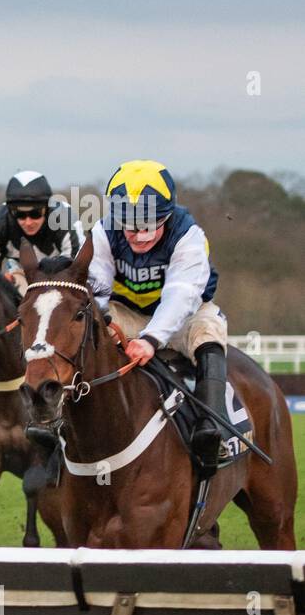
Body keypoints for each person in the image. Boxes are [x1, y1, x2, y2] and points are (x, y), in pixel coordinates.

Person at [86, 159, 228, 469]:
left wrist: (151, 339)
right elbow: (97, 290)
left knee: (210, 332)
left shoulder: (189, 235)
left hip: (186, 314)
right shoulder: (103, 232)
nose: (137, 235)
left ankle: (212, 427)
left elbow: (181, 295)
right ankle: (68, 427)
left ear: (167, 215)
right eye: (129, 225)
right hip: (126, 312)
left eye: (148, 224)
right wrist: (101, 324)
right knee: (87, 333)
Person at [0, 170, 84, 294]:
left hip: (59, 275)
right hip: (19, 273)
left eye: (35, 214)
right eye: (20, 214)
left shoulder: (65, 220)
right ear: (11, 211)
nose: (28, 222)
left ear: (47, 208)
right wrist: (0, 281)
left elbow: (75, 271)